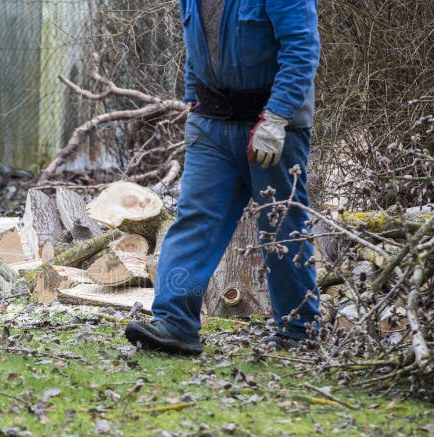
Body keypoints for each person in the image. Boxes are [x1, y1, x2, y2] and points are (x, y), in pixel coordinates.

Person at [125, 0, 322, 355]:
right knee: (195, 221)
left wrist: (278, 117)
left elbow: (302, 47)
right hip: (211, 122)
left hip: (272, 124)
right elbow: (196, 46)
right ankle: (175, 323)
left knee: (282, 226)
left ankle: (299, 331)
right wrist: (192, 102)